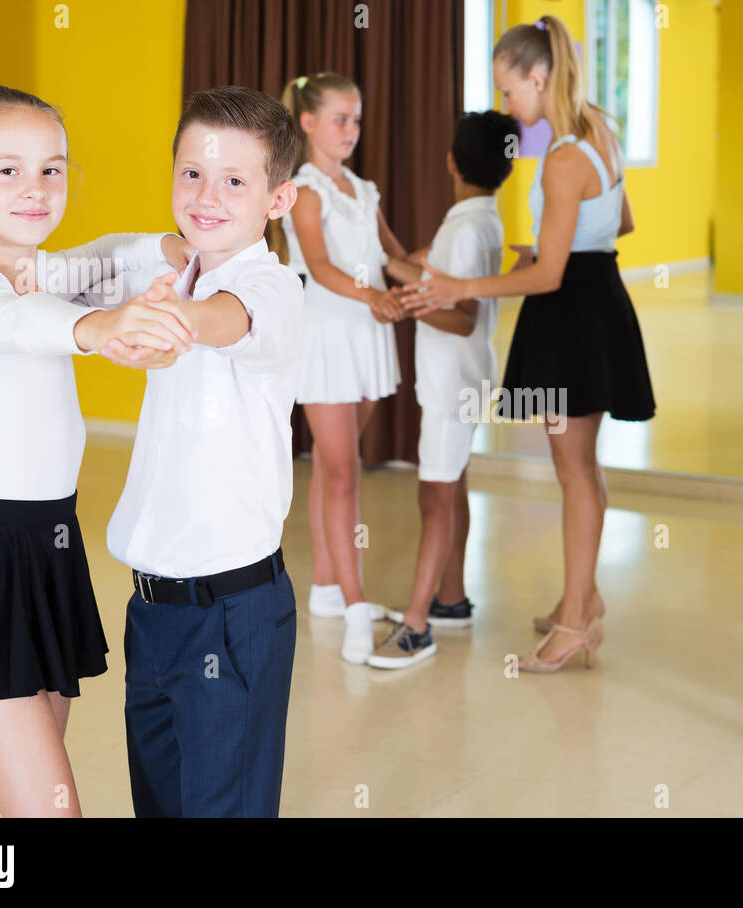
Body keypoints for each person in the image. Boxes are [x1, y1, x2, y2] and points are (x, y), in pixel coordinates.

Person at [0, 85, 194, 817]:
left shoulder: (45, 273)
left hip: (49, 555)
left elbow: (123, 251)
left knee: (11, 804)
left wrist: (192, 249)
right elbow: (24, 324)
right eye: (8, 170)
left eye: (52, 169)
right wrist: (102, 329)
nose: (36, 189)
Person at [402, 14, 655, 672]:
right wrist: (549, 244)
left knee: (572, 472)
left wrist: (462, 282)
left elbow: (546, 275)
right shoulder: (601, 129)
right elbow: (620, 219)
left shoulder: (565, 157)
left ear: (538, 78)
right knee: (583, 468)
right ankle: (584, 599)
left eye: (509, 91)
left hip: (568, 312)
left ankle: (575, 622)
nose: (506, 106)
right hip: (596, 301)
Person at [103, 86, 303, 817]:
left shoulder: (271, 287)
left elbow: (232, 319)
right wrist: (165, 267)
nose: (206, 195)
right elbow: (89, 259)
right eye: (192, 172)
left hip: (232, 612)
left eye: (234, 181)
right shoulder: (177, 269)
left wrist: (170, 318)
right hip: (151, 611)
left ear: (277, 201)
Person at [278, 72, 416, 664]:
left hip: (365, 337)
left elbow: (392, 258)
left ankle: (327, 591)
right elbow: (319, 265)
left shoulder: (364, 188)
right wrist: (375, 297)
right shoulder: (304, 190)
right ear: (307, 123)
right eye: (341, 119)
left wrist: (446, 277)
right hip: (328, 336)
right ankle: (357, 606)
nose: (351, 131)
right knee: (343, 474)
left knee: (337, 471)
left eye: (356, 119)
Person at [372, 110, 516, 669]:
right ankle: (450, 599)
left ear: (451, 161)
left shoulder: (464, 228)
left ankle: (416, 625)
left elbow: (460, 316)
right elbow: (419, 271)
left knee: (433, 497)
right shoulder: (479, 220)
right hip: (467, 379)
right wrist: (379, 240)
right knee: (451, 487)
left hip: (452, 383)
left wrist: (411, 308)